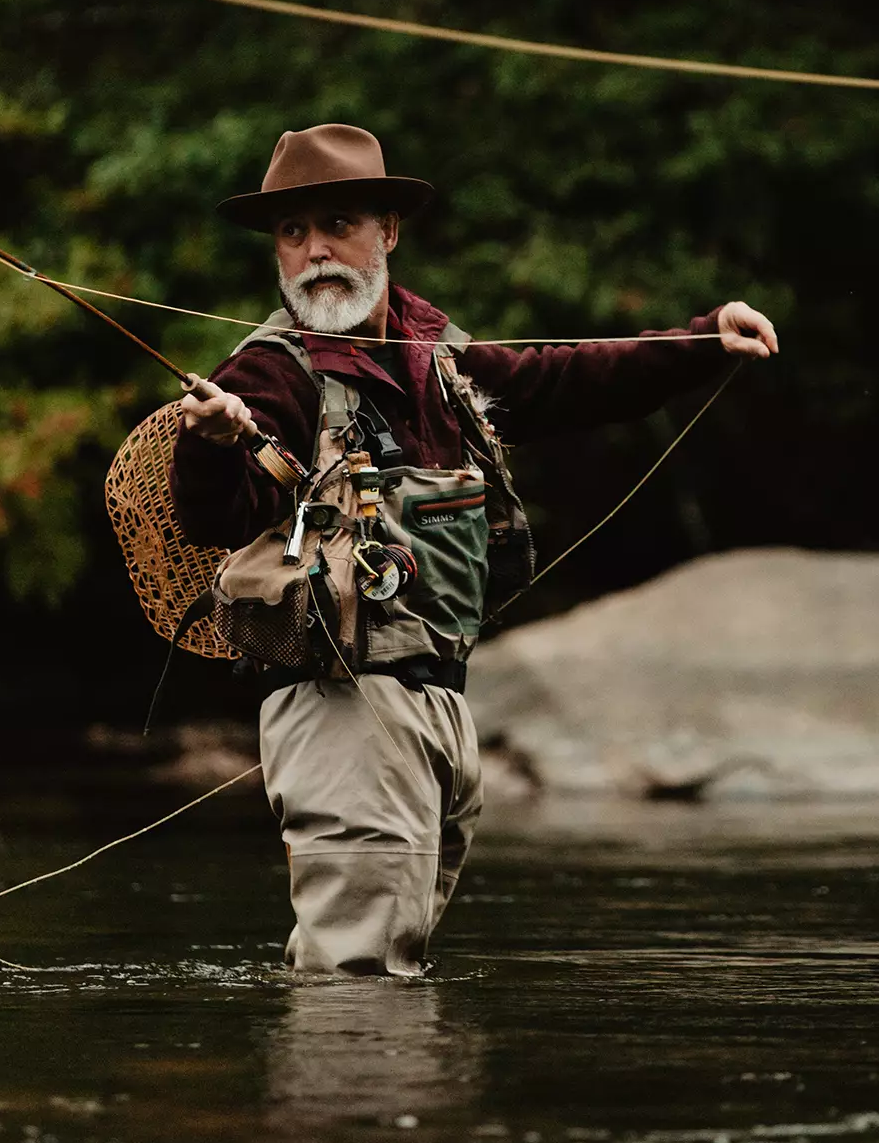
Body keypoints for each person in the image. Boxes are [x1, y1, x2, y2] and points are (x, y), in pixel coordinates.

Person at [170, 123, 778, 977]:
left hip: (439, 707)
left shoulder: (432, 356)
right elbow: (215, 516)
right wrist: (210, 440)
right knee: (360, 978)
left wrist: (702, 339)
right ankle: (348, 1112)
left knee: (387, 969)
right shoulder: (267, 376)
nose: (313, 253)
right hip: (344, 714)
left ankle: (377, 1113)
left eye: (337, 224)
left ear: (389, 231)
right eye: (292, 232)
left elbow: (558, 379)